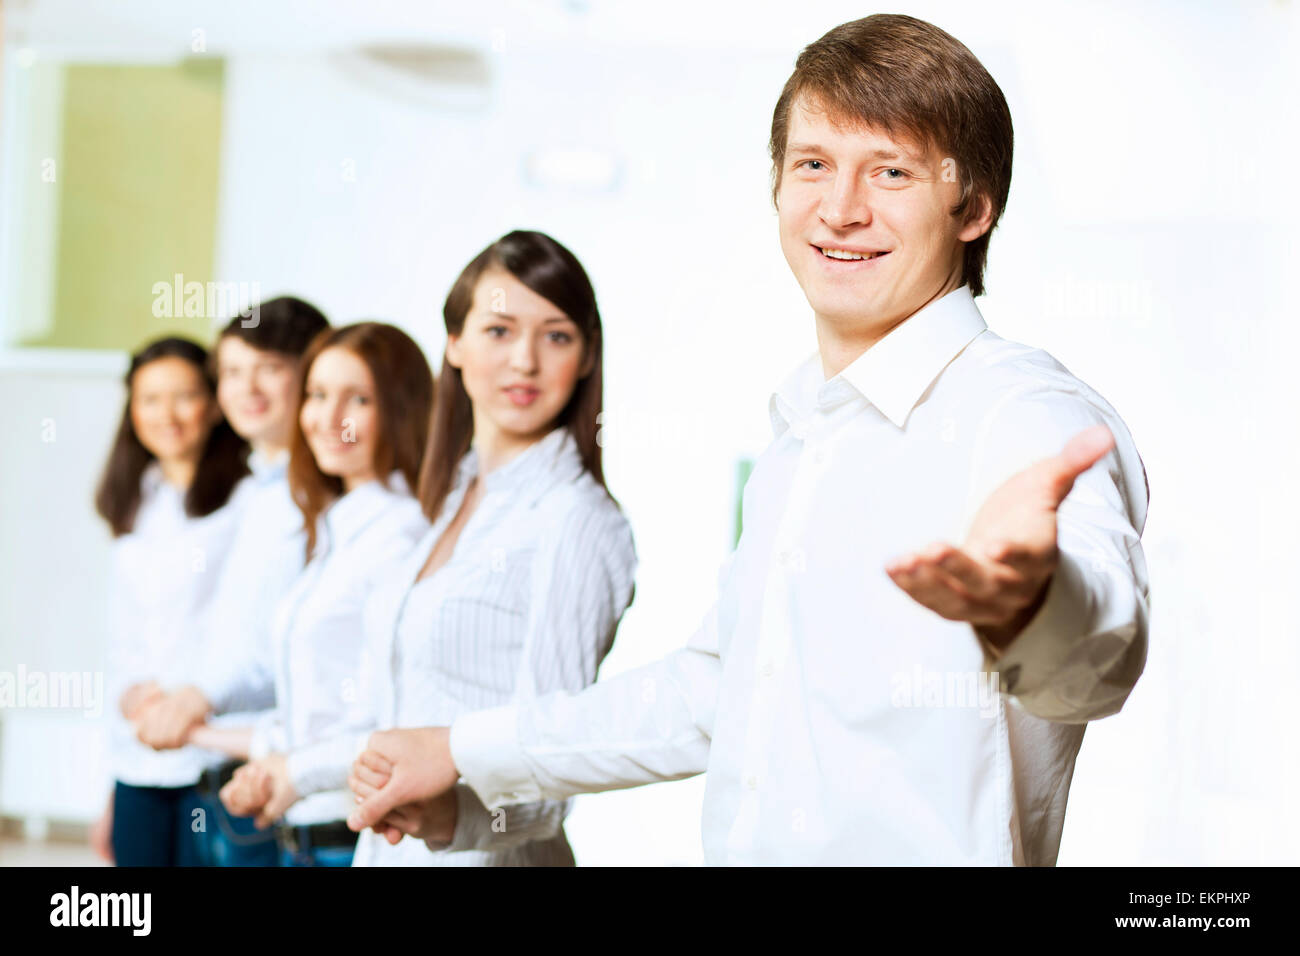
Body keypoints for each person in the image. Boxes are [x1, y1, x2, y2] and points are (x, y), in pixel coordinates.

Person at [346, 15, 1151, 866]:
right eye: (813, 165)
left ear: (973, 208)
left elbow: (1097, 666)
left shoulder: (1024, 411)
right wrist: (464, 756)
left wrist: (1034, 604)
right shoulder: (801, 441)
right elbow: (711, 694)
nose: (841, 210)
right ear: (776, 185)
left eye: (891, 171)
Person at [220, 231, 636, 866]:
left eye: (556, 335)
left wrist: (452, 815)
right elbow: (402, 719)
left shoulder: (575, 520)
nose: (524, 360)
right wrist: (295, 772)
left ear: (585, 358)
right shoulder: (450, 500)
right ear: (456, 344)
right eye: (499, 331)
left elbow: (553, 770)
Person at [203, 322, 432, 866]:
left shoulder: (403, 536)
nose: (329, 420)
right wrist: (221, 743)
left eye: (358, 399)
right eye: (318, 395)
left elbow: (388, 718)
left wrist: (285, 769)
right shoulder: (334, 525)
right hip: (300, 826)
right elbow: (318, 709)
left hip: (348, 833)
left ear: (400, 409)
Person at [131, 296, 329, 866]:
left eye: (269, 368)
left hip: (273, 775)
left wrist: (199, 695)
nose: (248, 389)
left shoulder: (318, 499)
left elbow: (292, 647)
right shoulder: (253, 489)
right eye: (233, 372)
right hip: (217, 767)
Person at [94, 336, 250, 866]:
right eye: (150, 399)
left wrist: (182, 700)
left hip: (211, 759)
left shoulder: (249, 500)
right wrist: (111, 797)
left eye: (184, 396)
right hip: (137, 760)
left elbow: (242, 631)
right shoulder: (137, 497)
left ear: (213, 404)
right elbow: (125, 638)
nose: (168, 415)